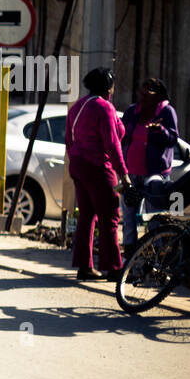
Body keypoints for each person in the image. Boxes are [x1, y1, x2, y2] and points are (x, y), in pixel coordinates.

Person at [64, 67, 131, 281]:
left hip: (78, 166)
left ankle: (84, 267)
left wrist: (76, 159)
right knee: (110, 215)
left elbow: (68, 140)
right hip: (98, 166)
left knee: (86, 216)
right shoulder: (104, 108)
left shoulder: (77, 107)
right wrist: (124, 174)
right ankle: (113, 267)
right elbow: (112, 144)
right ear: (109, 87)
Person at [119, 78, 179, 256]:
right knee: (129, 216)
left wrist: (160, 131)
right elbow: (121, 135)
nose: (143, 95)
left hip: (154, 175)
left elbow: (173, 139)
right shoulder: (132, 111)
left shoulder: (167, 112)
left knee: (154, 218)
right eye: (141, 91)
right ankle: (129, 255)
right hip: (131, 173)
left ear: (158, 94)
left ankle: (156, 255)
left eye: (148, 92)